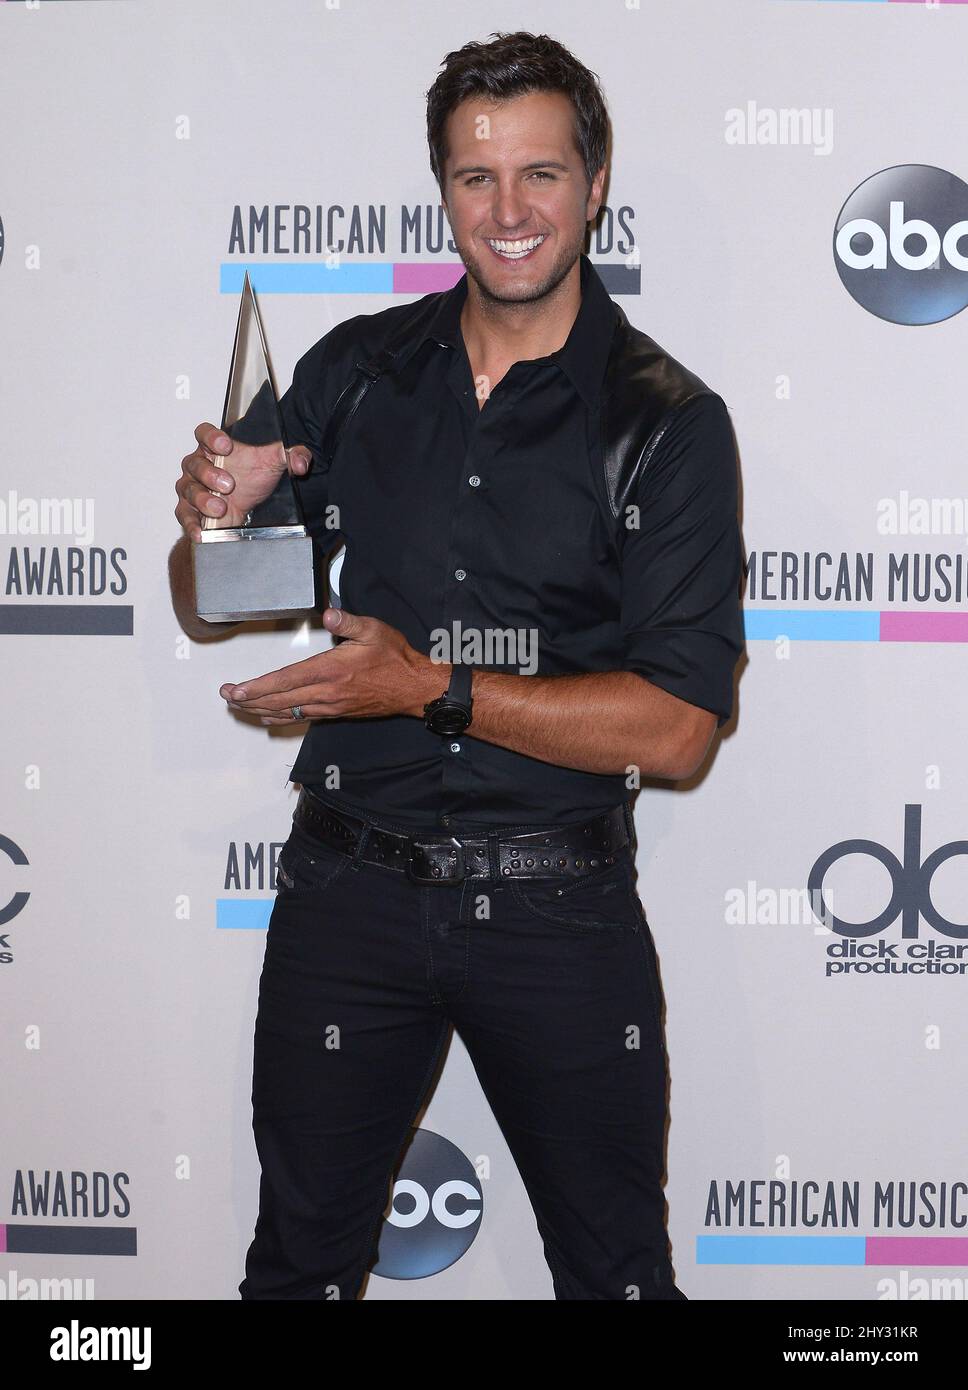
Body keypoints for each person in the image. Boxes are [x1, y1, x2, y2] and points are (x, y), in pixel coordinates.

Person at [170, 30, 744, 1301]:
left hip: (557, 913)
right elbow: (218, 606)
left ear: (595, 185)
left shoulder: (666, 421)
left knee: (616, 1276)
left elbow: (679, 731)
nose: (510, 211)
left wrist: (430, 686)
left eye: (540, 174)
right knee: (297, 1268)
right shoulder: (356, 371)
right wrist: (217, 510)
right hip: (347, 898)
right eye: (476, 178)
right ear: (441, 190)